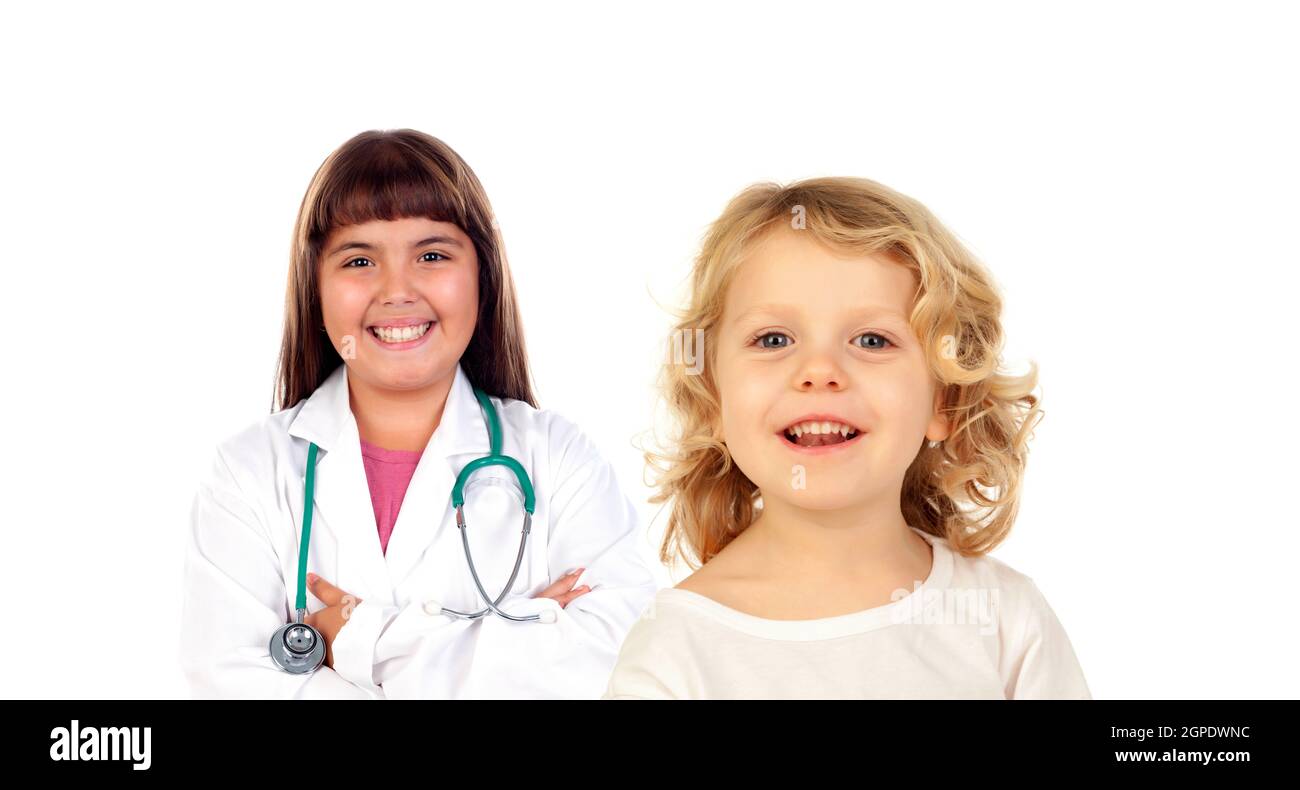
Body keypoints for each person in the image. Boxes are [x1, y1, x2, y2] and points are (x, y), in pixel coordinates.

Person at [181, 129, 657, 698]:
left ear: (482, 273)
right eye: (359, 260)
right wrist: (515, 640)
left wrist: (360, 640)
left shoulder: (559, 458)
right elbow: (227, 686)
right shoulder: (249, 473)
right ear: (317, 286)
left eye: (432, 255)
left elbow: (618, 668)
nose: (397, 290)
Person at [603, 177, 1090, 699]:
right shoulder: (674, 650)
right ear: (713, 399)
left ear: (944, 400)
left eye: (872, 340)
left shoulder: (1004, 619)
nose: (819, 371)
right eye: (773, 339)